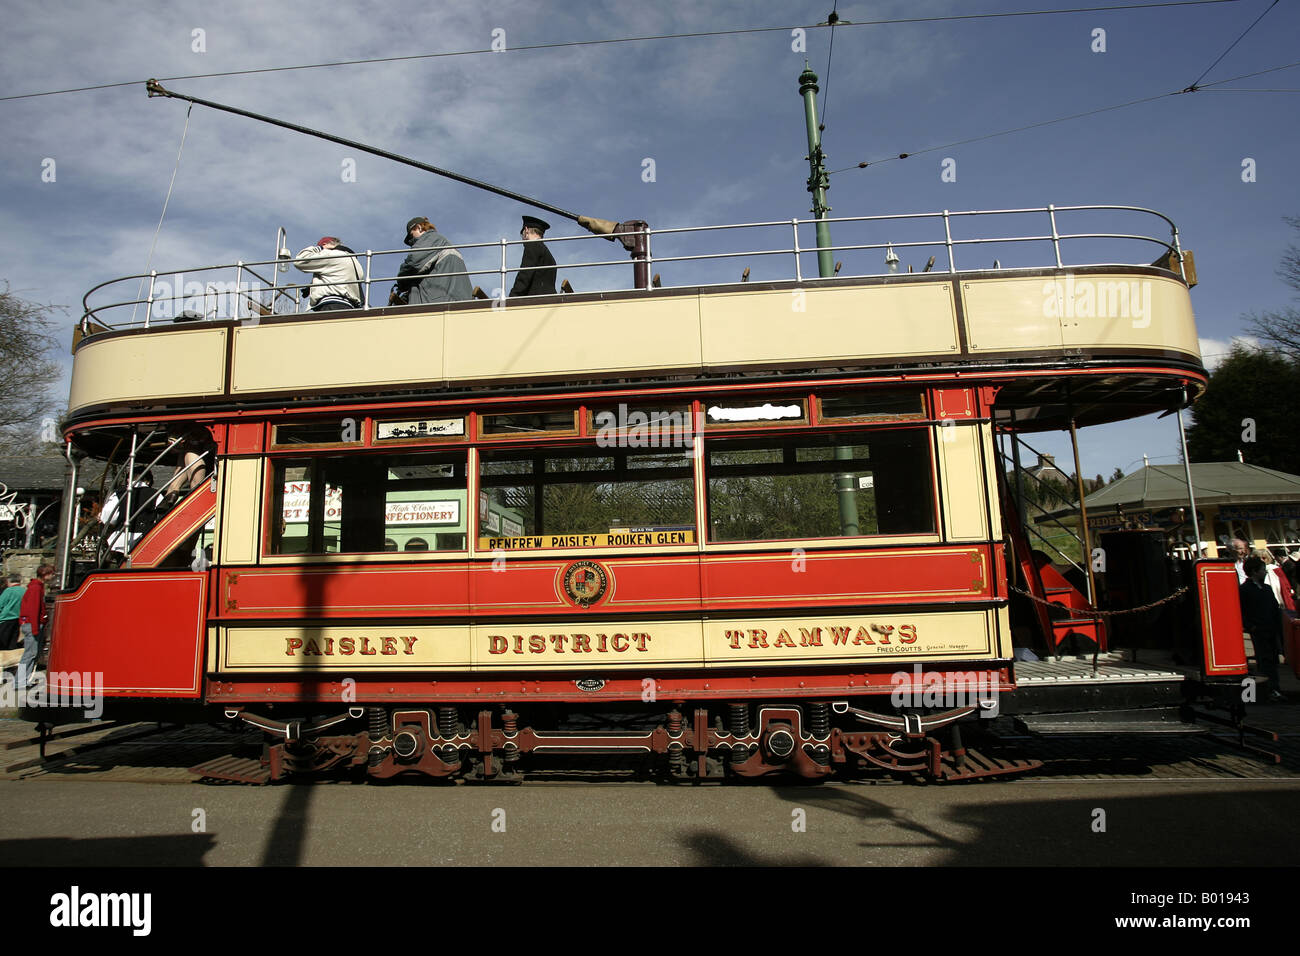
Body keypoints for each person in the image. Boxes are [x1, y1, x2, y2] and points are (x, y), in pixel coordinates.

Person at [1240, 555, 1286, 703]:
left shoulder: (1266, 588)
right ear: (1254, 572)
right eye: (1262, 570)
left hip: (1271, 629)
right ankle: (1269, 689)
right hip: (1258, 630)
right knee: (1264, 659)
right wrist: (1251, 626)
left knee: (1273, 659)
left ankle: (1275, 688)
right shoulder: (1245, 590)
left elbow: (1274, 608)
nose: (1265, 572)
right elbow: (1242, 611)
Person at [395, 217, 472, 305]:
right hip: (460, 299)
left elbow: (413, 263)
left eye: (412, 235)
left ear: (419, 228)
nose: (412, 242)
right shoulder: (441, 241)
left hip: (440, 300)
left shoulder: (429, 239)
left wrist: (400, 282)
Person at [292, 237, 364, 312]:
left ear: (325, 244)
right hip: (350, 307)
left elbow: (299, 261)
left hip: (330, 305)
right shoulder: (356, 264)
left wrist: (320, 248)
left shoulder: (331, 254)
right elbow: (337, 277)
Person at [17, 564, 53, 687]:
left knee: (32, 653)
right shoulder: (36, 589)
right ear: (45, 574)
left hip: (32, 623)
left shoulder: (37, 587)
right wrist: (35, 628)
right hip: (33, 624)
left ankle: (24, 679)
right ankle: (20, 681)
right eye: (50, 573)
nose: (52, 576)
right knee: (30, 653)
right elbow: (33, 609)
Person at [510, 215, 557, 297]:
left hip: (535, 300)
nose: (522, 240)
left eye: (522, 236)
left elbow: (524, 276)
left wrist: (512, 297)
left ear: (526, 230)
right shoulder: (549, 256)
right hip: (550, 299)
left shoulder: (532, 246)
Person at [0, 574, 23, 651]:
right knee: (12, 644)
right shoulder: (24, 591)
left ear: (8, 581)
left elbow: (1, 604)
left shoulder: (8, 591)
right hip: (17, 619)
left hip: (5, 619)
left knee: (2, 643)